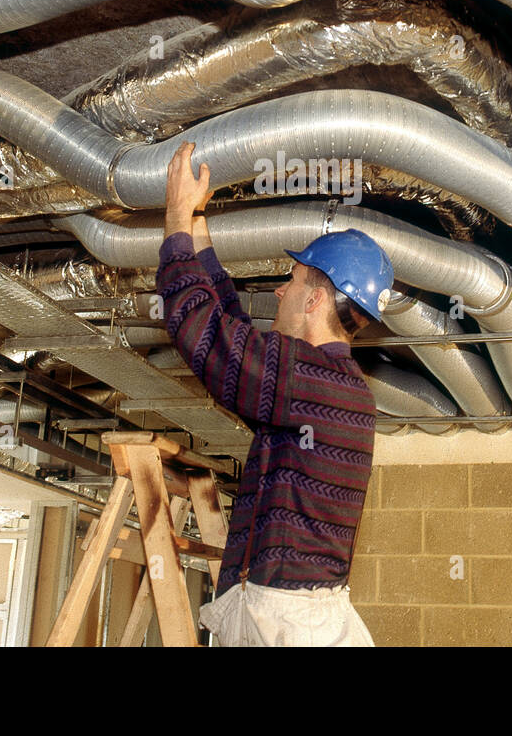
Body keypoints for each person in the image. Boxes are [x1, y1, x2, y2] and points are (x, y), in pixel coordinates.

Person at [158, 141, 395, 646]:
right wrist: (199, 222)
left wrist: (176, 220)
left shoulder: (309, 378)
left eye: (291, 281)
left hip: (284, 621)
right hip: (291, 616)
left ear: (314, 298)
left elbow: (203, 333)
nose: (279, 292)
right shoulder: (324, 381)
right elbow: (233, 329)